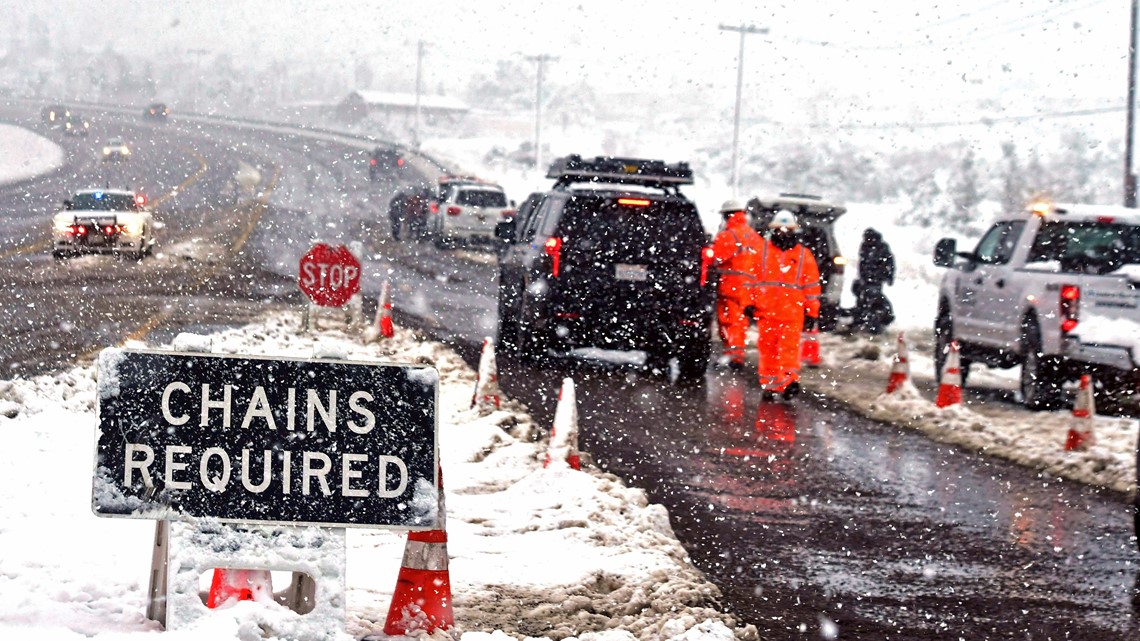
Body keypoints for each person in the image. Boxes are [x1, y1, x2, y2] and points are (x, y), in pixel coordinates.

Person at [745, 210, 821, 400]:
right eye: (780, 229)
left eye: (787, 229)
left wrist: (812, 313)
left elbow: (811, 288)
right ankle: (770, 386)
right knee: (768, 351)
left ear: (795, 231)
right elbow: (749, 281)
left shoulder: (804, 256)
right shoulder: (761, 253)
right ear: (774, 230)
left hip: (792, 314)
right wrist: (748, 303)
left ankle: (789, 383)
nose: (783, 232)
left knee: (788, 351)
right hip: (766, 313)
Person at [710, 199, 764, 369]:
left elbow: (716, 259)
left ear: (727, 215)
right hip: (749, 287)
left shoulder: (728, 235)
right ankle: (736, 354)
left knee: (729, 321)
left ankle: (734, 356)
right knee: (740, 322)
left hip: (730, 286)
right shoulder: (754, 236)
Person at [851, 227, 895, 334]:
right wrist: (861, 276)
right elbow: (862, 262)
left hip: (876, 278)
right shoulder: (865, 246)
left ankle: (874, 324)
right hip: (866, 278)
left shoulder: (881, 247)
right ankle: (862, 321)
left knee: (872, 299)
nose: (866, 240)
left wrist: (887, 276)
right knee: (863, 298)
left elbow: (889, 263)